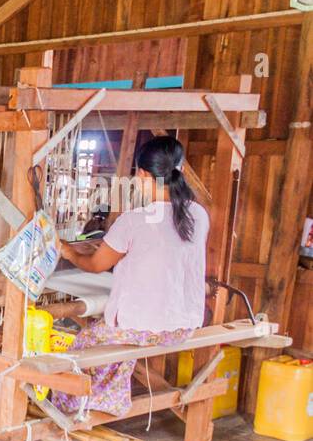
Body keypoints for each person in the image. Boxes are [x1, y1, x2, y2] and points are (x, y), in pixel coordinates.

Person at [51, 135, 208, 417]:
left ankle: (73, 410)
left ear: (143, 174)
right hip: (183, 325)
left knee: (78, 350)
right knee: (119, 338)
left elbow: (96, 265)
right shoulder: (198, 215)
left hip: (143, 328)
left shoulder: (133, 222)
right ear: (180, 171)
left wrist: (68, 252)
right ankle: (108, 400)